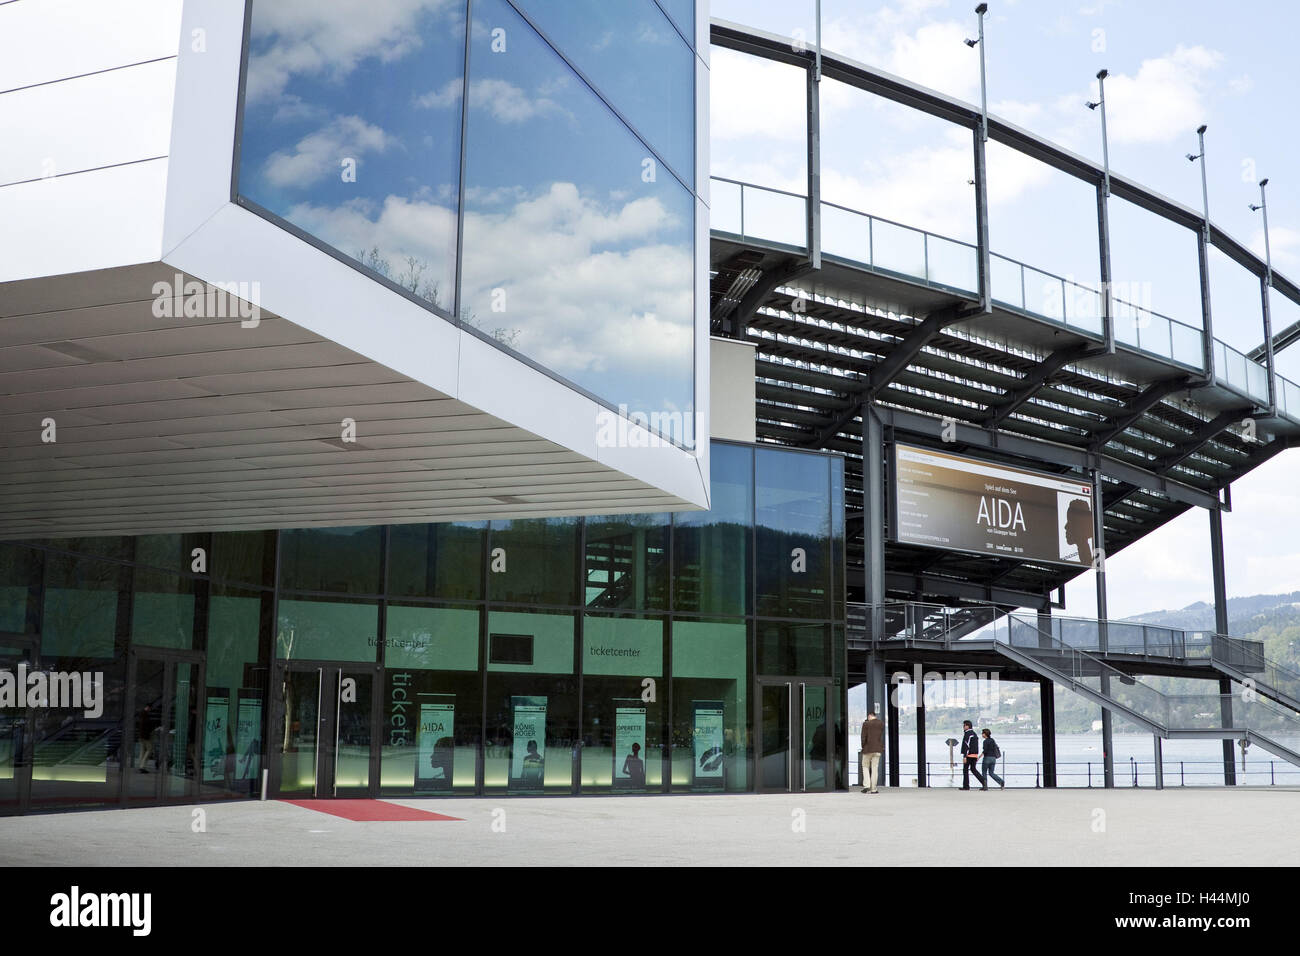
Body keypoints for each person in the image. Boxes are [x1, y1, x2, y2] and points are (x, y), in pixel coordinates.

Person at [860, 710, 884, 794]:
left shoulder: (866, 724)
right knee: (875, 769)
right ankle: (874, 789)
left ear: (869, 716)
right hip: (878, 749)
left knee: (865, 766)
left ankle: (866, 785)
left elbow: (863, 737)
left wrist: (863, 746)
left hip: (868, 749)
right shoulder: (881, 723)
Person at [960, 720, 984, 790]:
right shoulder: (974, 734)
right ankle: (983, 781)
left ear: (967, 726)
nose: (963, 727)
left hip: (969, 755)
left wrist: (964, 756)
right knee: (973, 769)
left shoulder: (968, 734)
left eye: (964, 725)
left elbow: (966, 746)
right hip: (975, 755)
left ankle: (966, 786)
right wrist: (976, 754)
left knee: (965, 770)